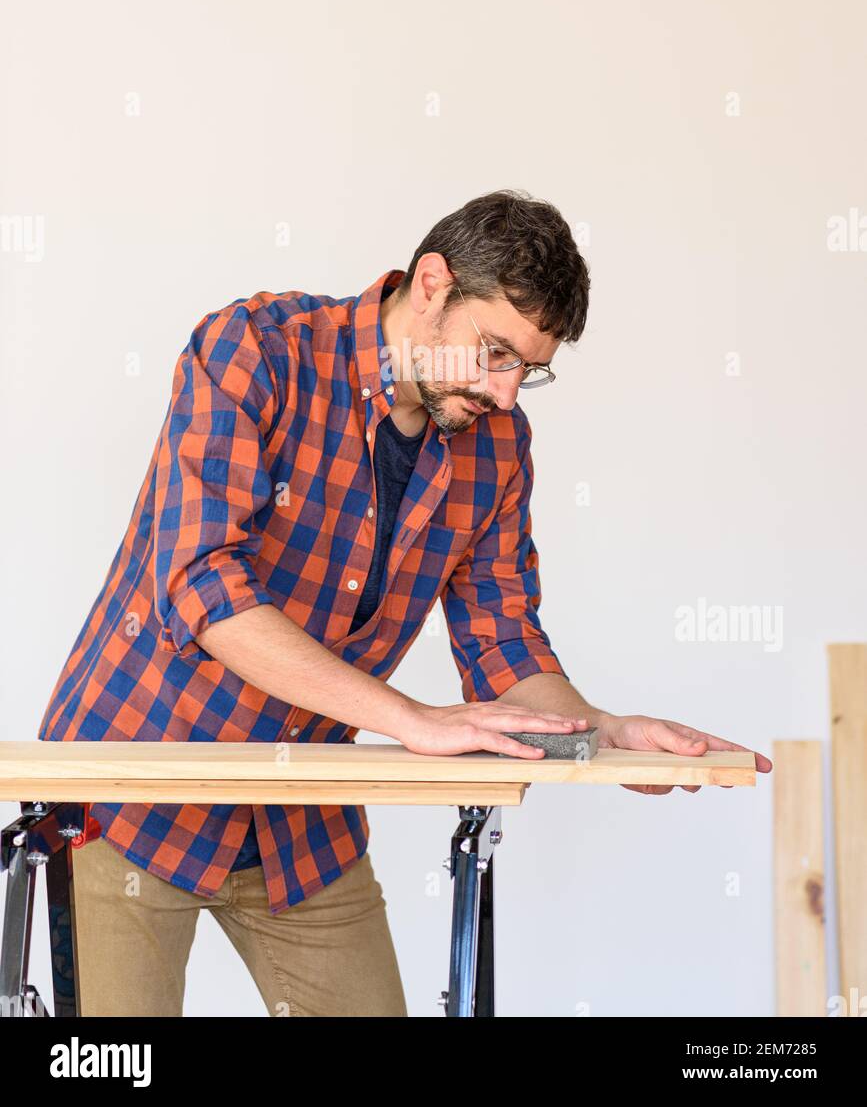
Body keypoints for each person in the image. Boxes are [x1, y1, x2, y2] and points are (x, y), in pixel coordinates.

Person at [38, 188, 771, 1017]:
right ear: (430, 284)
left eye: (528, 369)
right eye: (493, 352)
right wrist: (411, 719)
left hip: (299, 821)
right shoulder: (256, 352)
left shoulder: (495, 446)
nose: (505, 394)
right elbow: (204, 585)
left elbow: (502, 643)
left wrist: (598, 731)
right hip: (130, 793)